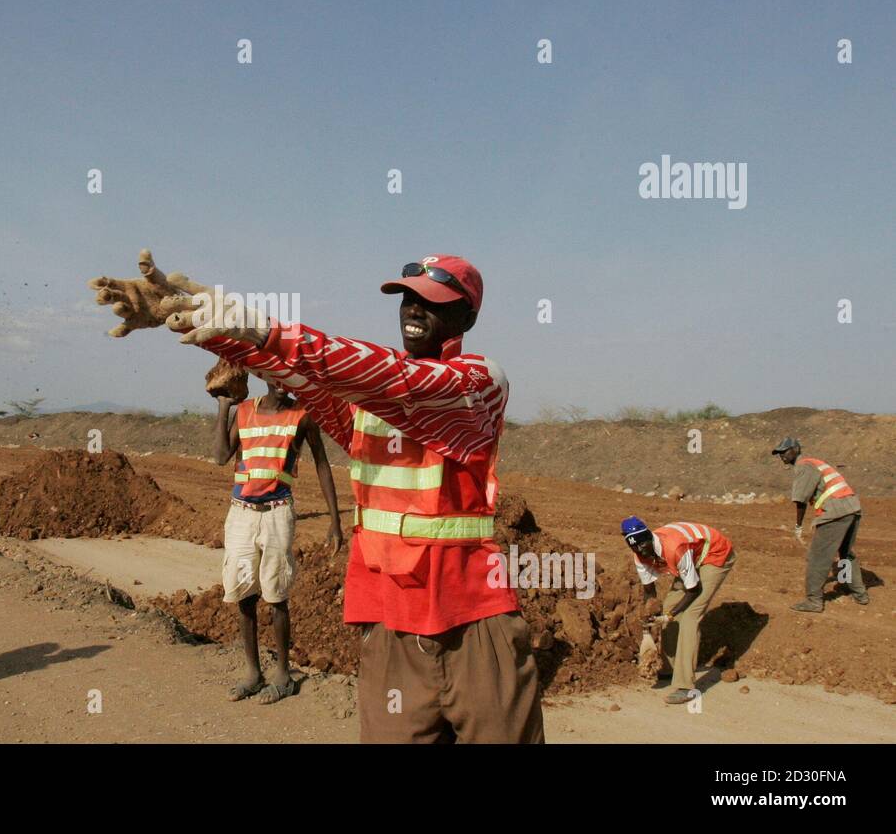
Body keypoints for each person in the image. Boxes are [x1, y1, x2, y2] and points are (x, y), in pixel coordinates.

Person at [92, 252, 544, 742]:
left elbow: (399, 381)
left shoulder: (479, 382)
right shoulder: (369, 402)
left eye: (432, 302)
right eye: (408, 299)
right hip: (391, 623)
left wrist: (264, 328)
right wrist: (203, 323)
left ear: (468, 318)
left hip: (472, 619)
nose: (414, 310)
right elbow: (303, 377)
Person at [214, 379, 342, 704]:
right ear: (264, 375)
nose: (283, 383)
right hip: (241, 514)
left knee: (276, 594)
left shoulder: (303, 415)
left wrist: (335, 520)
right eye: (276, 375)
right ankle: (253, 673)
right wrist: (224, 408)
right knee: (244, 594)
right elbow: (220, 456)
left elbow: (322, 463)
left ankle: (283, 676)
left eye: (288, 376)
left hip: (277, 513)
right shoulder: (245, 411)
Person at [621, 516, 736, 703]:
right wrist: (649, 618)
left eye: (642, 544)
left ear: (649, 536)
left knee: (690, 616)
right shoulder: (640, 556)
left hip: (715, 554)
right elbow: (649, 591)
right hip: (692, 556)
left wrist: (669, 616)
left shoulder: (674, 548)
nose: (640, 549)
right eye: (635, 547)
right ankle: (669, 668)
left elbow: (694, 590)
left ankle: (685, 686)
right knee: (669, 605)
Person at [771, 438, 868, 611]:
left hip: (835, 512)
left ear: (796, 449)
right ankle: (858, 592)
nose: (782, 456)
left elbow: (801, 499)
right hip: (852, 508)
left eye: (784, 451)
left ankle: (814, 600)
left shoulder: (803, 466)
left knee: (817, 557)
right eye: (779, 453)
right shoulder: (815, 462)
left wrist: (798, 525)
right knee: (845, 552)